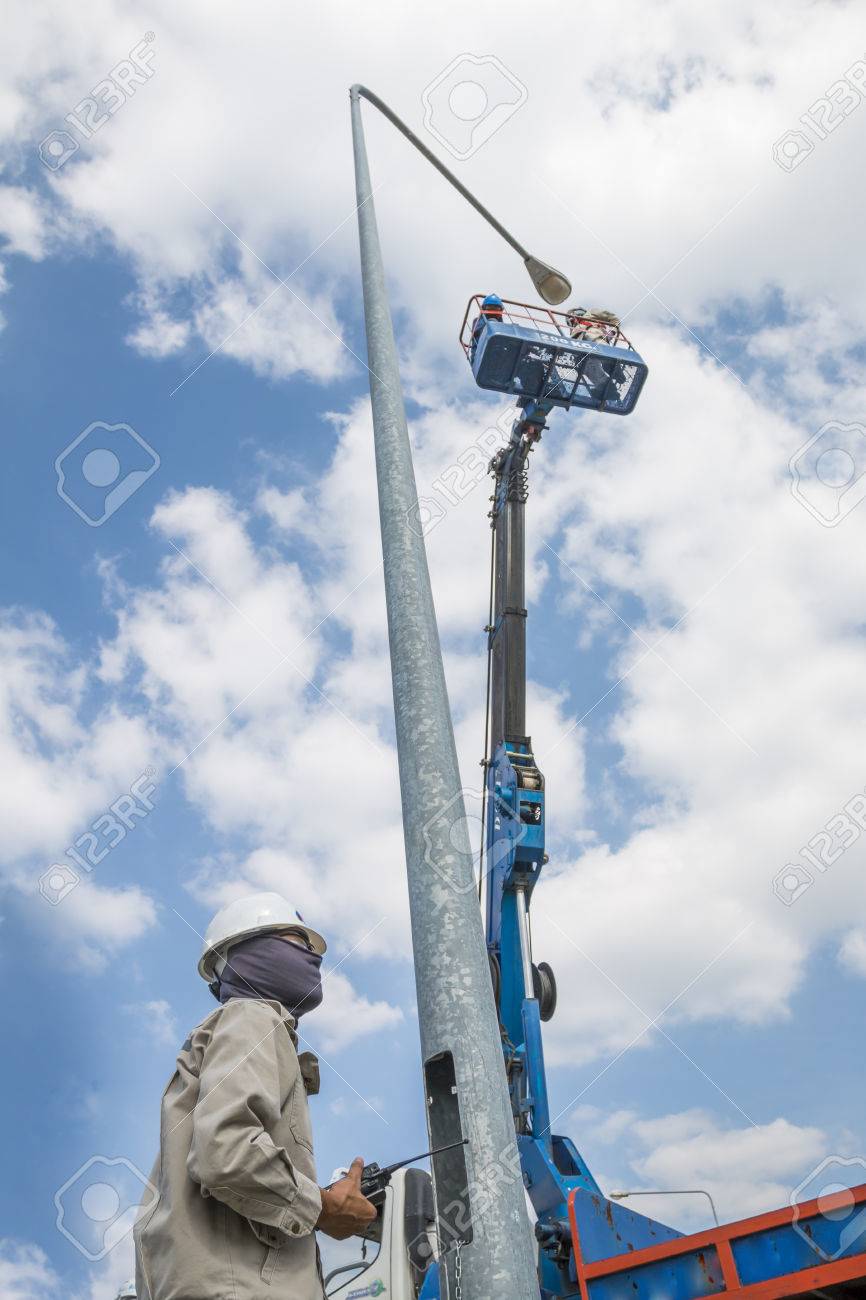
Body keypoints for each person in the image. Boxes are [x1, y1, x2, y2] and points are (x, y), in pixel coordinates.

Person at [134, 892, 376, 1300]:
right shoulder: (253, 1017)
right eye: (295, 943)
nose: (312, 959)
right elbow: (225, 1153)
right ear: (248, 953)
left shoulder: (237, 1031)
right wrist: (325, 1207)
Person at [469, 292, 504, 360]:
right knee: (492, 322)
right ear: (484, 309)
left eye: (496, 309)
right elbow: (480, 330)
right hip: (479, 355)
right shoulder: (478, 321)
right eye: (490, 308)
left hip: (497, 352)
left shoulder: (501, 324)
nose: (493, 311)